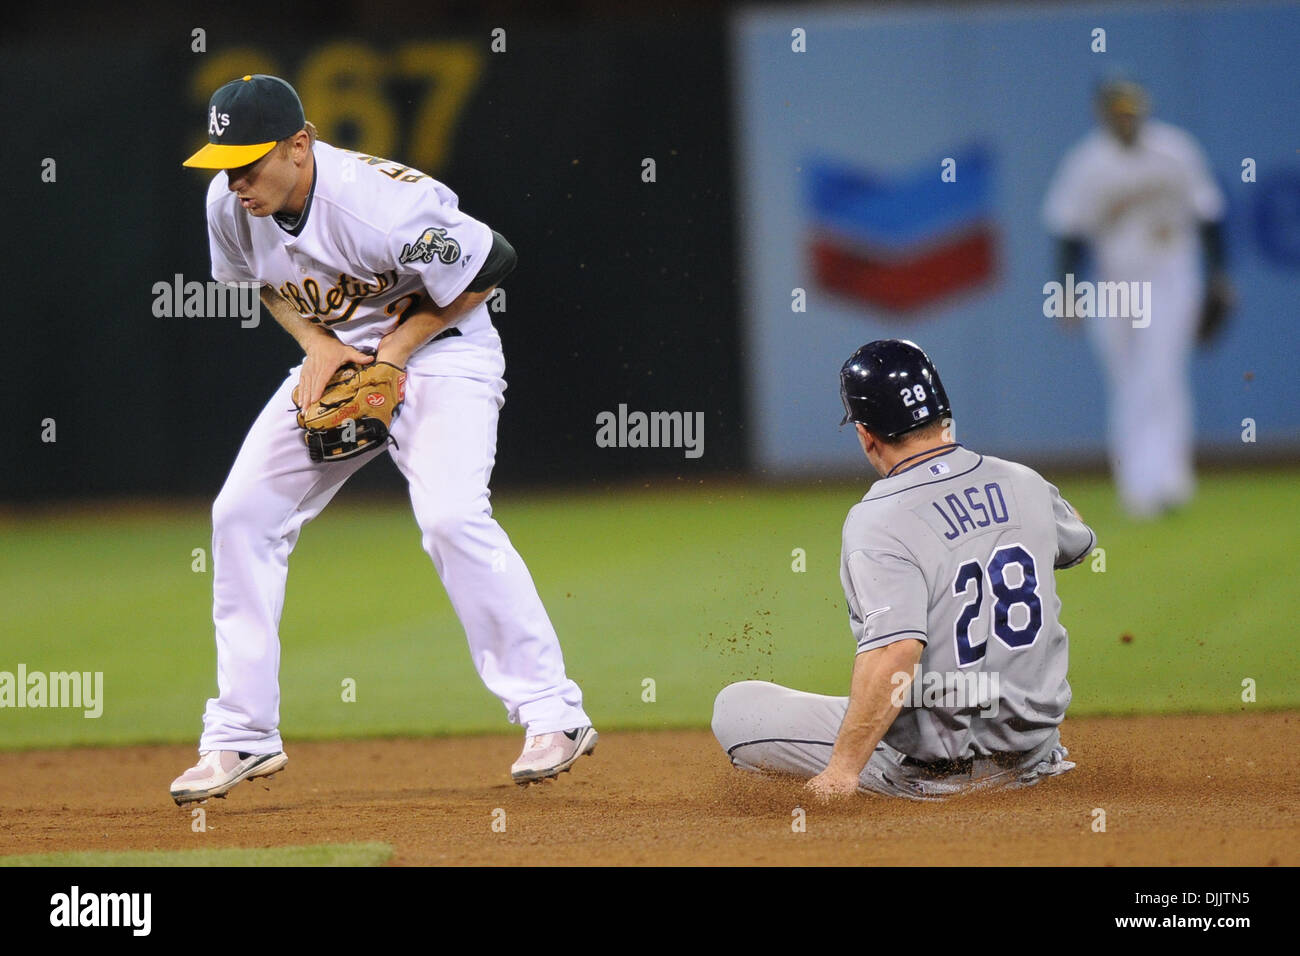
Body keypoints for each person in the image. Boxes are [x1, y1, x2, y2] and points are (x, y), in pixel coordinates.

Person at [169, 75, 595, 805]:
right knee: (240, 515)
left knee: (451, 516)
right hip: (340, 361)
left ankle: (552, 714)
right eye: (224, 163)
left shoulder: (376, 204)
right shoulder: (230, 202)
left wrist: (396, 353)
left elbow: (492, 260)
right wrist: (316, 345)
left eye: (249, 161)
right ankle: (242, 733)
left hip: (442, 348)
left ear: (299, 146)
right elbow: (263, 281)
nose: (235, 180)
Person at [711, 340, 1094, 800]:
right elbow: (1077, 543)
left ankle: (904, 783)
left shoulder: (878, 518)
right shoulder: (1024, 480)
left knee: (735, 709)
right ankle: (1029, 764)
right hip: (1034, 751)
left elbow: (896, 650)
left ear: (865, 434)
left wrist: (841, 771)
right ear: (942, 416)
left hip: (936, 772)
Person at [1043, 76, 1231, 519]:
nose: (1127, 119)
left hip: (1168, 274)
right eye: (1118, 111)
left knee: (1160, 373)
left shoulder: (1174, 151)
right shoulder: (1088, 163)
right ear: (1103, 114)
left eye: (1132, 110)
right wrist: (1067, 291)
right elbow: (1068, 233)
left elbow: (1209, 216)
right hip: (1115, 282)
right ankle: (1138, 484)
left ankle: (1167, 480)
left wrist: (1219, 278)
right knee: (1127, 381)